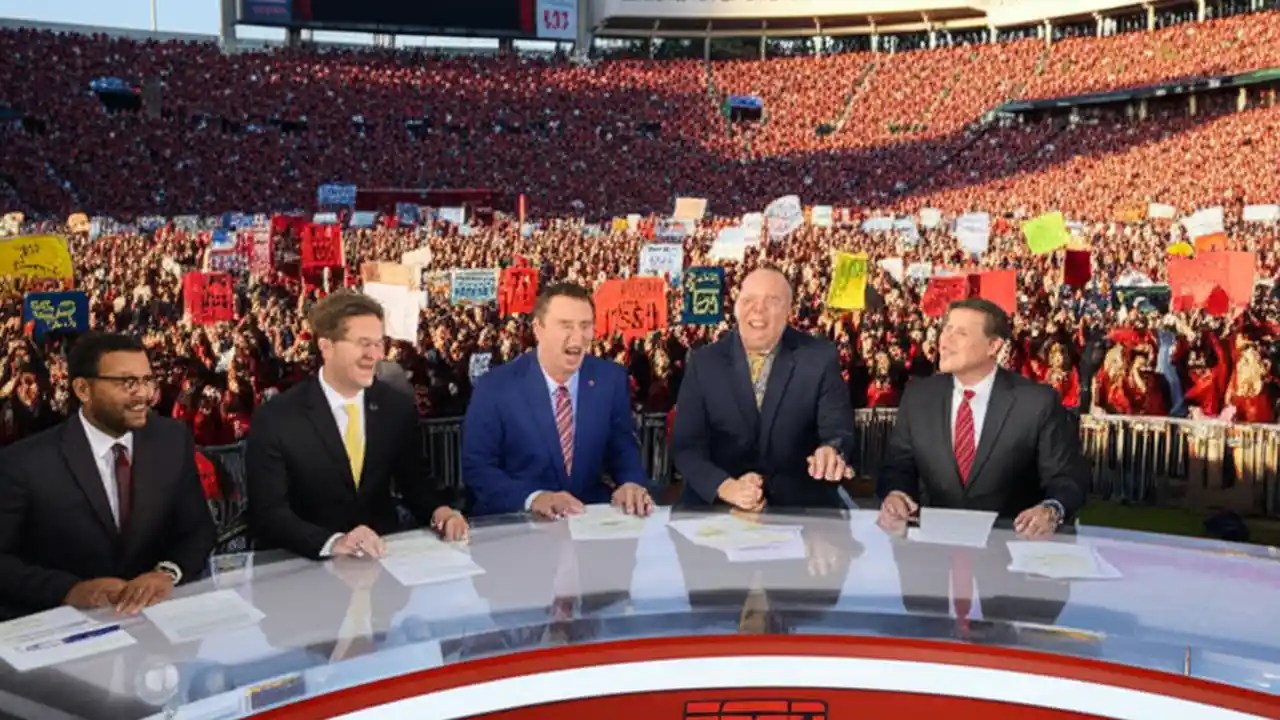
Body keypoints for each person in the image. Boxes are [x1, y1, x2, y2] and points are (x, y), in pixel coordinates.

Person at [0, 333, 215, 619]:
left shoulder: (172, 440)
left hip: (155, 626)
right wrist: (69, 590)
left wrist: (166, 573)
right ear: (83, 389)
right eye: (127, 383)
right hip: (62, 627)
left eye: (147, 380)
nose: (144, 394)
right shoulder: (26, 463)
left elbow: (198, 530)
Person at [245, 291, 467, 560]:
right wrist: (333, 542)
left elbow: (415, 484)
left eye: (378, 344)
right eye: (363, 344)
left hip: (382, 570)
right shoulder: (277, 418)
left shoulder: (394, 408)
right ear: (326, 347)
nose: (373, 355)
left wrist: (441, 512)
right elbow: (268, 513)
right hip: (304, 571)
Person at [877, 298, 1088, 537]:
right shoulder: (918, 397)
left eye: (961, 333)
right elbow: (898, 466)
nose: (945, 340)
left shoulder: (1036, 402)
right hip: (933, 554)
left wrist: (1051, 509)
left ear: (994, 346)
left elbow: (1066, 478)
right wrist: (896, 493)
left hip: (1009, 553)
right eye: (946, 328)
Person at [461, 283, 653, 518]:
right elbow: (478, 468)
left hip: (588, 528)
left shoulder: (610, 379)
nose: (578, 337)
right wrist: (532, 498)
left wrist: (631, 483)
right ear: (538, 329)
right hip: (518, 529)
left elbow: (623, 447)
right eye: (565, 325)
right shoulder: (496, 387)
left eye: (585, 325)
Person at [672, 266, 856, 510]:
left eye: (772, 300)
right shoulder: (704, 362)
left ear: (789, 310)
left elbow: (837, 429)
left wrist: (830, 451)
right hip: (718, 508)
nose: (758, 309)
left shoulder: (818, 358)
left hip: (799, 509)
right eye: (748, 300)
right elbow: (687, 447)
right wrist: (727, 487)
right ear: (736, 307)